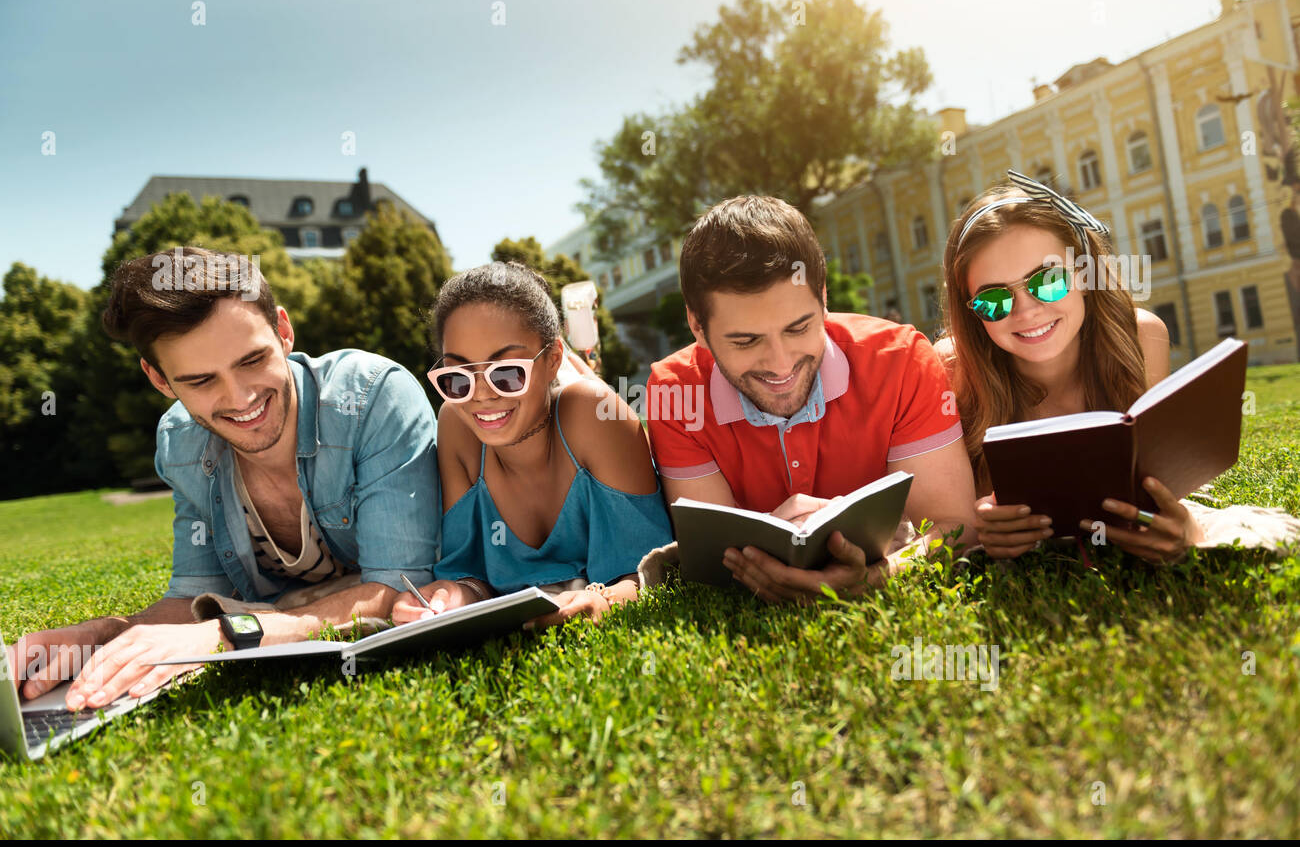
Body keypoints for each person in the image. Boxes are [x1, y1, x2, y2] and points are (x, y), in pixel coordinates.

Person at [6, 247, 439, 709]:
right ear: (159, 379)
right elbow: (193, 595)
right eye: (200, 381)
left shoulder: (372, 398)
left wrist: (226, 634)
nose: (241, 398)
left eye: (252, 360)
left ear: (284, 331)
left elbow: (398, 591)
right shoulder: (181, 442)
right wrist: (103, 635)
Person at [937, 171, 1300, 561]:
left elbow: (1157, 486)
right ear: (972, 311)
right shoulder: (952, 368)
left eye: (1048, 280)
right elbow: (953, 515)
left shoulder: (1141, 338)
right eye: (994, 300)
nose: (1027, 311)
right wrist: (985, 528)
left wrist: (1182, 529)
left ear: (1084, 272)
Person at [645, 196, 978, 603]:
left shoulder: (903, 359)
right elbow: (715, 561)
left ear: (823, 296)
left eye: (798, 328)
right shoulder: (676, 392)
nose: (780, 364)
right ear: (697, 325)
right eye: (746, 341)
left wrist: (880, 576)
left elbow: (955, 526)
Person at [391, 261, 673, 630]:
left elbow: (657, 571)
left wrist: (604, 601)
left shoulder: (593, 413)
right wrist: (448, 597)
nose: (480, 395)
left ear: (554, 359)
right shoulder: (456, 425)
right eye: (457, 378)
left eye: (507, 373)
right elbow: (471, 576)